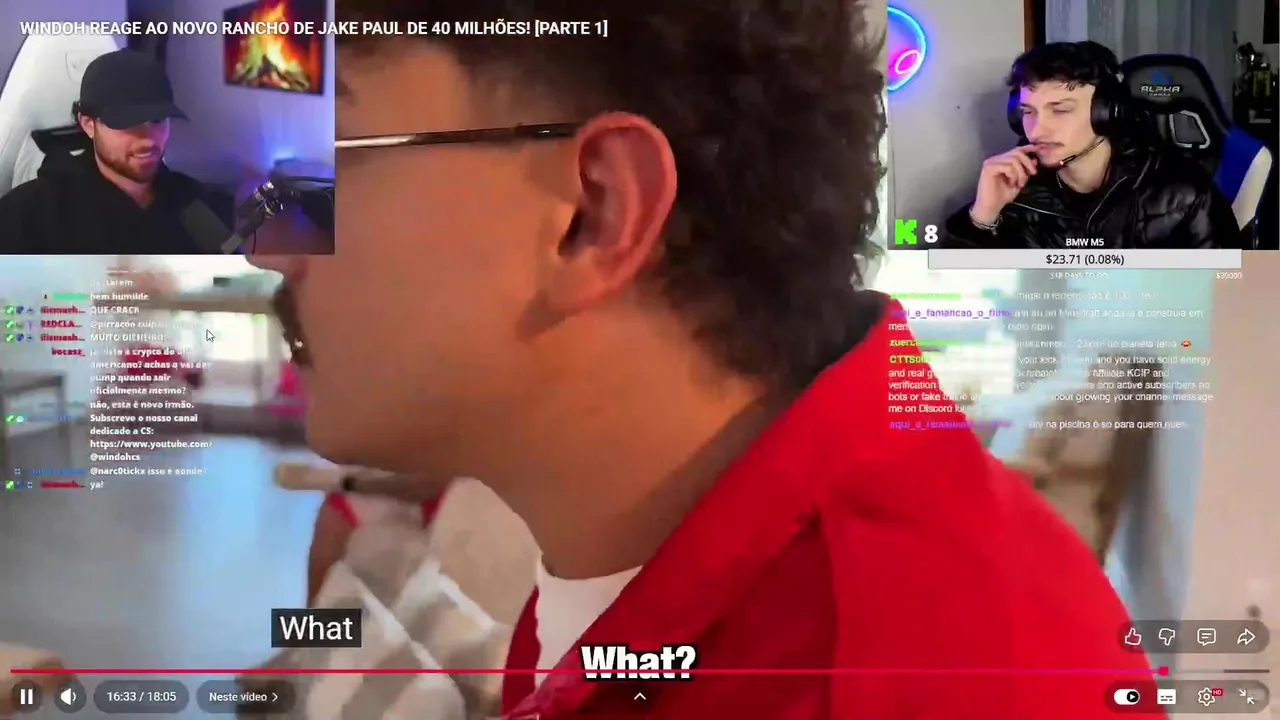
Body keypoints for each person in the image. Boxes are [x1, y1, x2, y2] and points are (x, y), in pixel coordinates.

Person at [250, 2, 1160, 718]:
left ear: (595, 212)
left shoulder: (906, 679)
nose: (267, 244)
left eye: (314, 167)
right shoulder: (632, 549)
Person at [941, 40, 1238, 249]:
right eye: (1028, 112)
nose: (1037, 130)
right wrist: (981, 217)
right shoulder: (1014, 190)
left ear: (1108, 113)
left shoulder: (1185, 194)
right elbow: (955, 302)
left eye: (1060, 110)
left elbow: (1230, 299)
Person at [0, 49, 216, 254]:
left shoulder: (195, 203)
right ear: (88, 124)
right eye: (128, 122)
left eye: (158, 120)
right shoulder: (29, 214)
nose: (148, 139)